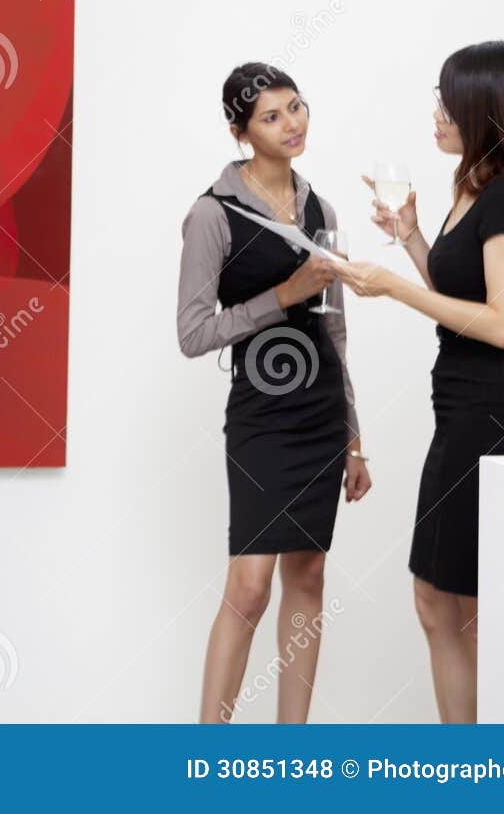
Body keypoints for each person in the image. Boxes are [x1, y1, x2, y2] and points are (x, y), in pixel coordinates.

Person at [334, 39, 504, 723]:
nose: (437, 113)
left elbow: (499, 323)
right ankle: (466, 766)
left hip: (497, 419)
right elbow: (461, 291)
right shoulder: (473, 188)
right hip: (460, 414)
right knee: (440, 600)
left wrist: (391, 286)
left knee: (486, 610)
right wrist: (411, 237)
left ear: (489, 110)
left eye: (450, 101)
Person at [178, 63, 371, 723]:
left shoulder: (324, 210)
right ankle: (204, 754)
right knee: (249, 588)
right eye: (271, 115)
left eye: (297, 107)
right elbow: (194, 332)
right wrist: (280, 296)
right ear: (240, 131)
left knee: (308, 577)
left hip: (320, 413)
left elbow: (335, 328)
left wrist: (353, 436)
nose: (292, 124)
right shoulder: (212, 213)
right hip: (261, 417)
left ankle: (292, 754)